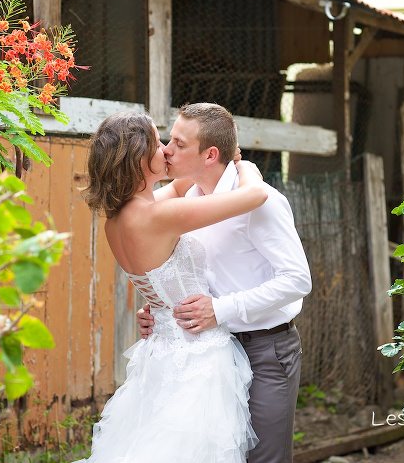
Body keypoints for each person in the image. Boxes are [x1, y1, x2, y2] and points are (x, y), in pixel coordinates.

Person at [78, 111, 268, 463]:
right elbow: (254, 196)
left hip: (163, 345)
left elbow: (182, 186)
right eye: (157, 143)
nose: (166, 151)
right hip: (197, 351)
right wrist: (244, 164)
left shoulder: (121, 218)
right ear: (138, 158)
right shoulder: (159, 216)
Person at [137, 103, 312, 463]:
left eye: (179, 143)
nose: (167, 149)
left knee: (264, 459)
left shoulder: (261, 203)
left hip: (266, 353)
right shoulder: (189, 199)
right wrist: (161, 310)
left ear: (210, 154)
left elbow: (297, 279)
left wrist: (219, 309)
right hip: (212, 353)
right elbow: (196, 272)